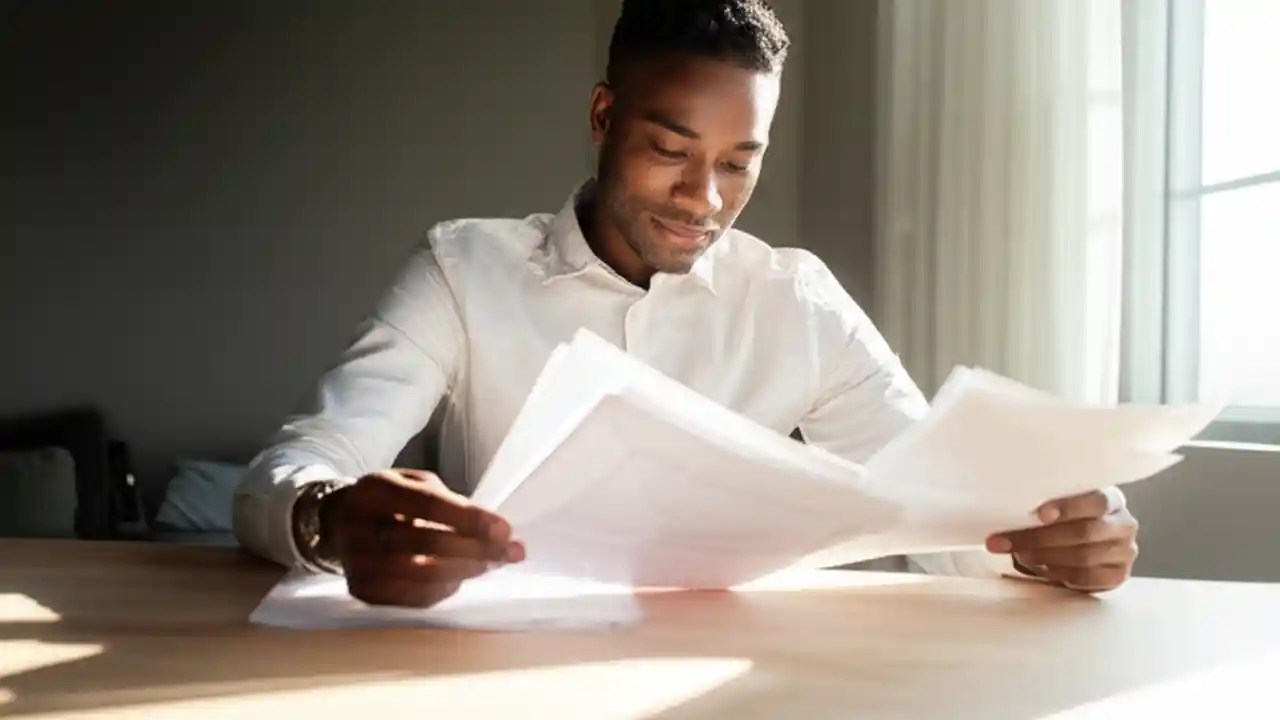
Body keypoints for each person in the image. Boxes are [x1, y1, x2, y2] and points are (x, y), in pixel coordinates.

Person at [232, 0, 1139, 608]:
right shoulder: (461, 271)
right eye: (670, 149)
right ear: (602, 116)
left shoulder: (798, 302)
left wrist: (1042, 541)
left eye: (739, 162)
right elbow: (295, 468)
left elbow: (935, 510)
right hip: (504, 671)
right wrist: (327, 520)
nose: (703, 198)